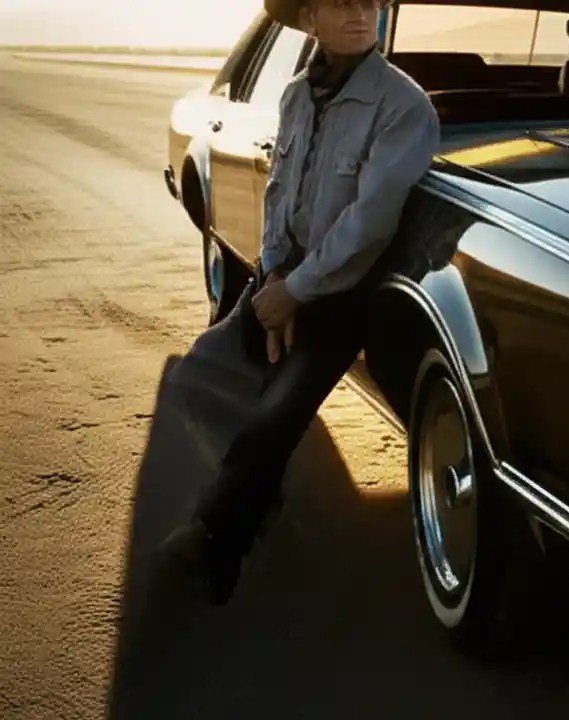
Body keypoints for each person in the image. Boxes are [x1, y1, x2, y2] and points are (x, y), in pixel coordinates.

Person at [162, 0, 439, 605]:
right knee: (197, 381)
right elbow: (281, 197)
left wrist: (297, 293)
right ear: (310, 18)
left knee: (274, 416)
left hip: (348, 293)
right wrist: (270, 285)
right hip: (286, 280)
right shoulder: (292, 96)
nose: (361, 14)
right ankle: (261, 496)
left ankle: (215, 543)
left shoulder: (403, 106)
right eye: (342, 3)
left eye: (369, 2)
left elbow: (369, 226)